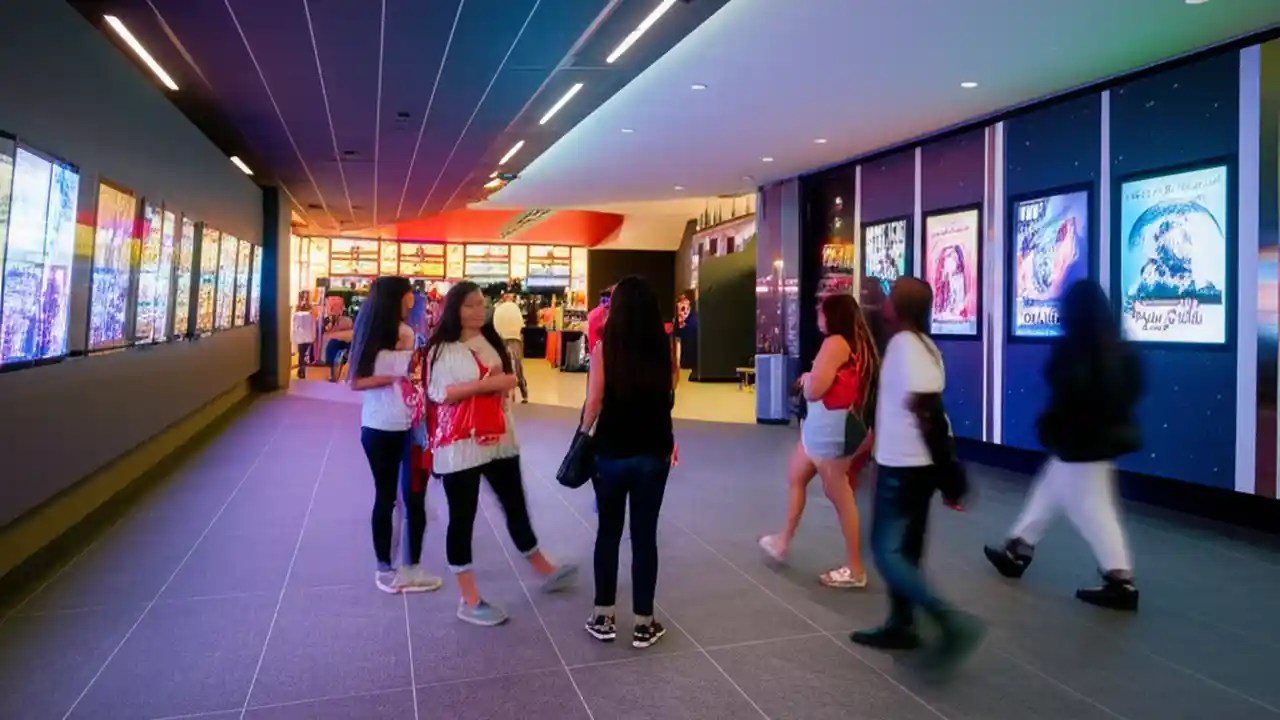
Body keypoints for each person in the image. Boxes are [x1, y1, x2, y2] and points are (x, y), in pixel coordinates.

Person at [984, 280, 1143, 611]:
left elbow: (1065, 391)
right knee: (1049, 489)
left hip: (1078, 442)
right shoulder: (1118, 349)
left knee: (1094, 512)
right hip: (1098, 441)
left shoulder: (1073, 349)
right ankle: (1018, 549)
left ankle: (1120, 580)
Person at [850, 277, 983, 673]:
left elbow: (930, 419)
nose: (884, 303)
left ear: (901, 307)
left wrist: (950, 479)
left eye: (890, 297)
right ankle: (901, 623)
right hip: (908, 465)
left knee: (888, 553)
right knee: (906, 550)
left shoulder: (909, 349)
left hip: (906, 469)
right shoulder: (918, 345)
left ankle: (948, 620)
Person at [425, 282, 577, 626]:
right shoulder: (441, 349)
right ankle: (469, 598)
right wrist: (488, 385)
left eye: (481, 305)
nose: (478, 311)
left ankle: (544, 568)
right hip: (459, 446)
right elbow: (439, 393)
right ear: (454, 309)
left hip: (499, 439)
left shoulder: (490, 342)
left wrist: (500, 384)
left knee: (515, 504)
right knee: (461, 518)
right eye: (469, 306)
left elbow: (501, 383)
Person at [579, 276, 677, 649]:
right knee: (645, 536)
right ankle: (643, 622)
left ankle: (603, 616)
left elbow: (594, 402)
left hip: (611, 453)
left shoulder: (604, 348)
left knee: (608, 532)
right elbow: (670, 393)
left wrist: (582, 438)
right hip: (654, 452)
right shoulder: (664, 348)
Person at [759, 294, 876, 589]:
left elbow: (815, 390)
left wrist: (807, 378)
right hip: (821, 429)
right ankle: (783, 540)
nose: (818, 316)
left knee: (840, 494)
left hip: (827, 432)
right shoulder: (855, 344)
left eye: (822, 311)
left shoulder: (835, 343)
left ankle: (855, 568)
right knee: (797, 475)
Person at [347, 277, 440, 595]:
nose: (412, 300)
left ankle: (394, 568)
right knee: (401, 497)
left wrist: (397, 376)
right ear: (399, 298)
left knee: (396, 498)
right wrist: (395, 377)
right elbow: (362, 381)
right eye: (408, 295)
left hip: (392, 426)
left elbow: (357, 382)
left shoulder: (376, 332)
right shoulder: (397, 333)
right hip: (395, 425)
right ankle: (399, 568)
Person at [492, 293, 528, 403]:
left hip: (502, 340)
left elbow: (495, 326)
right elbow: (521, 326)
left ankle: (504, 392)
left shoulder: (498, 309)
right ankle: (524, 393)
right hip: (515, 339)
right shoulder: (516, 308)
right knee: (517, 367)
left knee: (504, 366)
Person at [291, 294, 316, 380]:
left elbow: (296, 326)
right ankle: (303, 371)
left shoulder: (306, 309)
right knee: (304, 354)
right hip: (305, 337)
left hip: (305, 336)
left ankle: (303, 371)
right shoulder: (305, 310)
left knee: (304, 355)